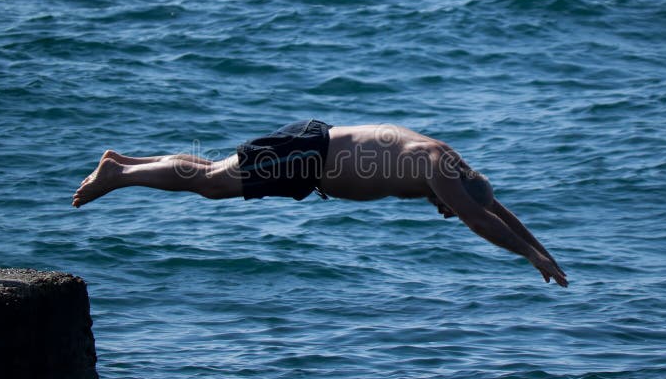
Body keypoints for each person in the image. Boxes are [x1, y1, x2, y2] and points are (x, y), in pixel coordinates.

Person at [73, 120, 568, 286]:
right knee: (211, 184)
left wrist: (541, 250)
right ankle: (119, 173)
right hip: (307, 157)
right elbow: (480, 216)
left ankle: (123, 162)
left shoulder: (451, 164)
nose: (446, 210)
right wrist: (528, 256)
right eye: (447, 207)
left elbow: (492, 206)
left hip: (308, 158)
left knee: (210, 176)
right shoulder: (439, 168)